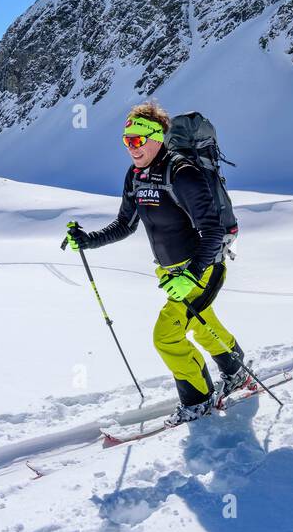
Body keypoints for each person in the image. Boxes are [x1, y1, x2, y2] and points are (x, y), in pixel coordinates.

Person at [63, 100, 249, 424]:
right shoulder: (135, 177)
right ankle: (236, 371)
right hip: (171, 273)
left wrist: (191, 276)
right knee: (201, 323)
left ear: (156, 137)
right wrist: (88, 239)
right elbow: (124, 225)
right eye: (126, 140)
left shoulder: (182, 173)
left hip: (203, 269)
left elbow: (213, 231)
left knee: (166, 336)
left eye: (137, 140)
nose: (131, 147)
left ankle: (199, 399)